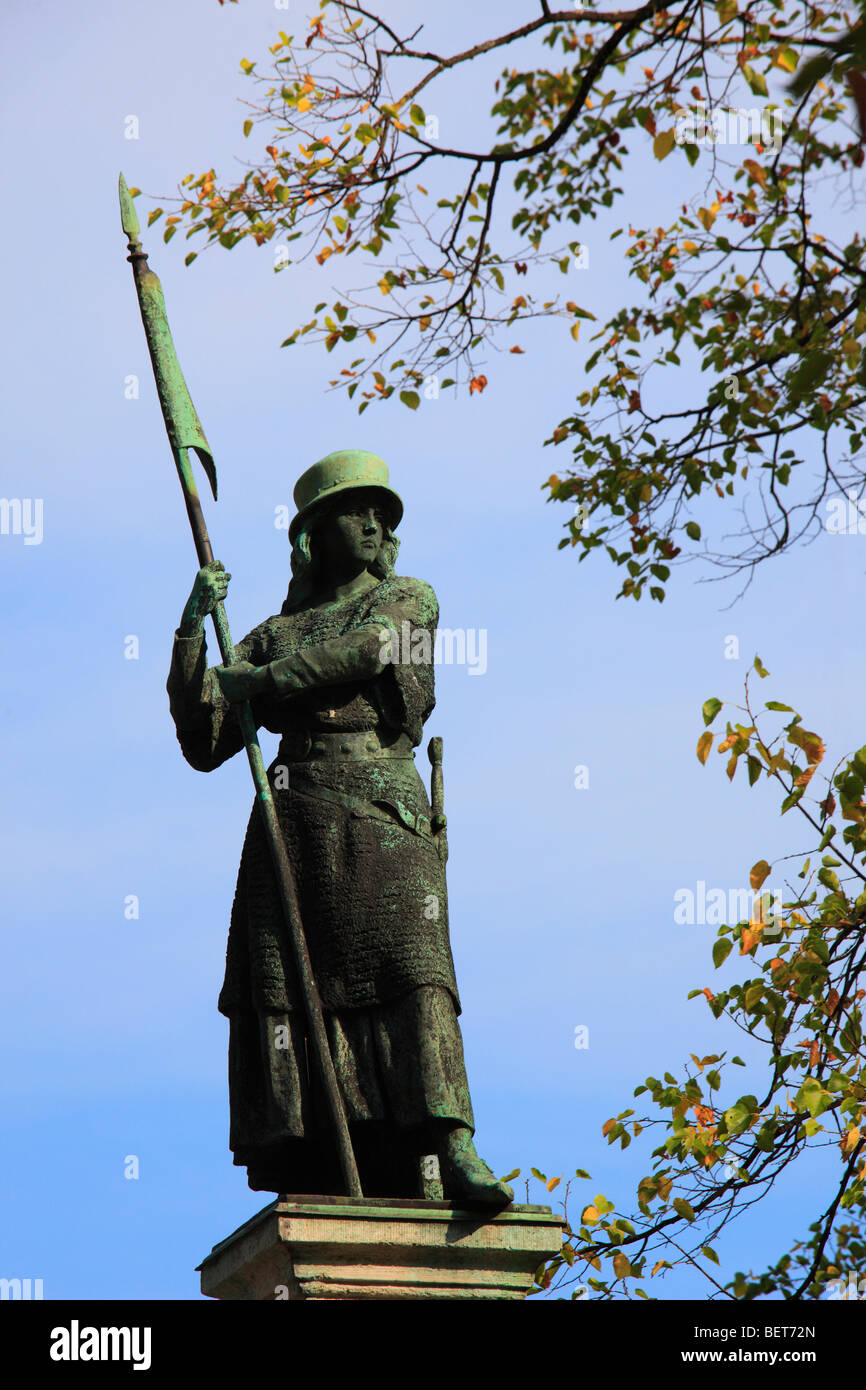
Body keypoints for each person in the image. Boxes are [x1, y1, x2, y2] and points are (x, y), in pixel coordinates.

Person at [166, 449, 513, 1206]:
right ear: (311, 535)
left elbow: (370, 652)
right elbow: (205, 741)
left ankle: (451, 1143)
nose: (372, 523)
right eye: (354, 511)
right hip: (293, 822)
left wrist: (255, 684)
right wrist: (193, 632)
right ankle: (320, 1152)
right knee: (295, 992)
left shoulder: (411, 601)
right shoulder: (264, 632)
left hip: (384, 808)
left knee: (417, 970)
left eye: (381, 514)